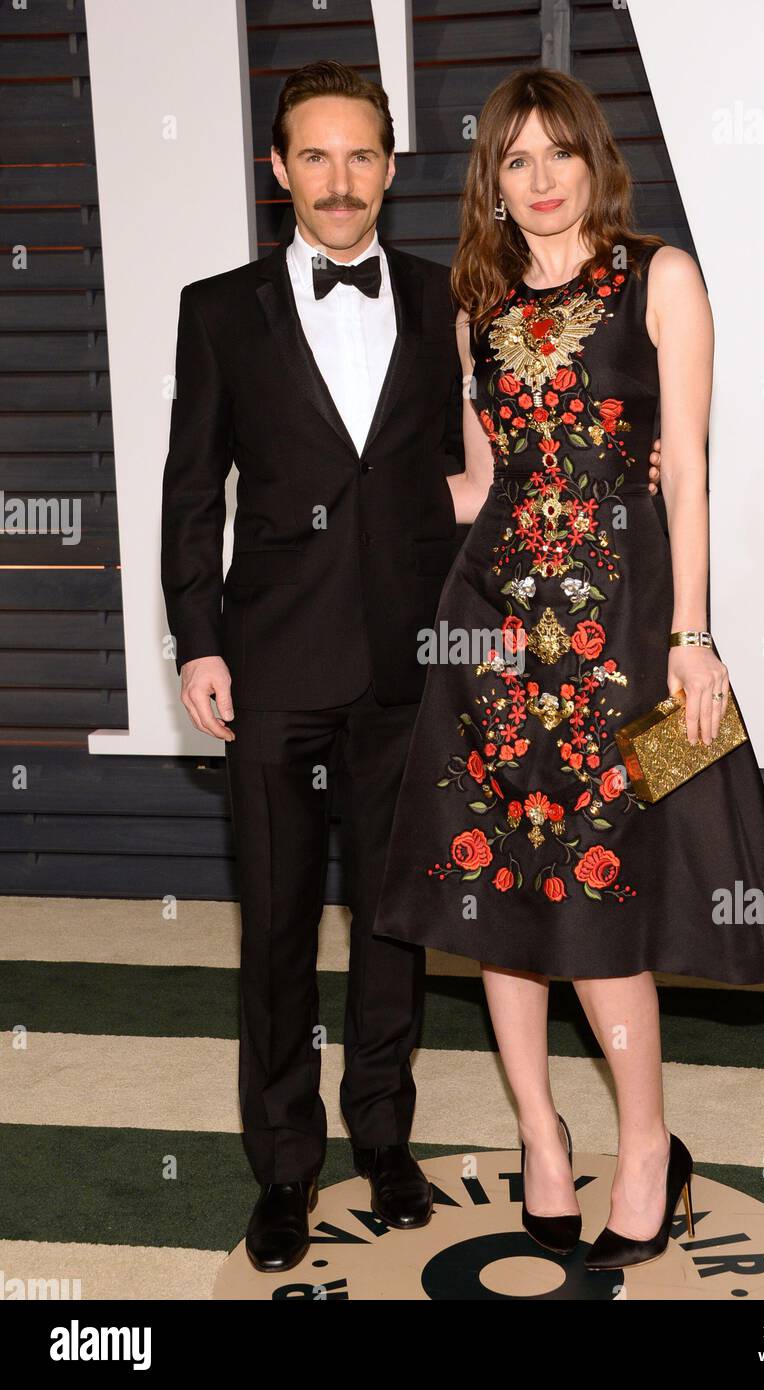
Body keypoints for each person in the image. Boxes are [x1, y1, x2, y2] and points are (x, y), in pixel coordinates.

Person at [160, 56, 667, 1275]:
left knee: (399, 925)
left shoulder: (460, 299)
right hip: (271, 664)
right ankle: (285, 1171)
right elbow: (190, 491)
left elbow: (504, 468)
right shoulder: (217, 308)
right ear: (279, 172)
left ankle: (385, 1141)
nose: (340, 182)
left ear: (393, 167)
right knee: (275, 928)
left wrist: (621, 473)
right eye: (314, 158)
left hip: (423, 659)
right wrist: (199, 639)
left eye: (362, 157)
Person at [371, 66, 764, 1271]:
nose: (542, 179)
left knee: (605, 895)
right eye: (516, 161)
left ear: (593, 161)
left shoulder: (661, 278)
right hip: (492, 636)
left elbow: (684, 472)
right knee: (494, 900)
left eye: (559, 153)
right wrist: (356, 507)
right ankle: (541, 1138)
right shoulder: (475, 302)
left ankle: (648, 1144)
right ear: (492, 184)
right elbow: (476, 484)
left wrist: (695, 637)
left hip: (620, 635)